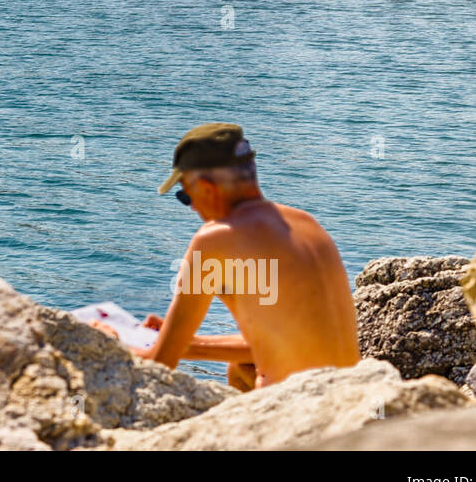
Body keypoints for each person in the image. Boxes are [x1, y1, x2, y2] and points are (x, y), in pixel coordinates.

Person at [92, 124, 359, 391]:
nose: (191, 207)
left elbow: (161, 365)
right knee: (241, 369)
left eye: (186, 196)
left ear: (207, 189)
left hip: (302, 414)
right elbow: (289, 342)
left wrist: (109, 344)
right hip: (354, 398)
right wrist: (184, 342)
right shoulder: (306, 224)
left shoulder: (214, 240)